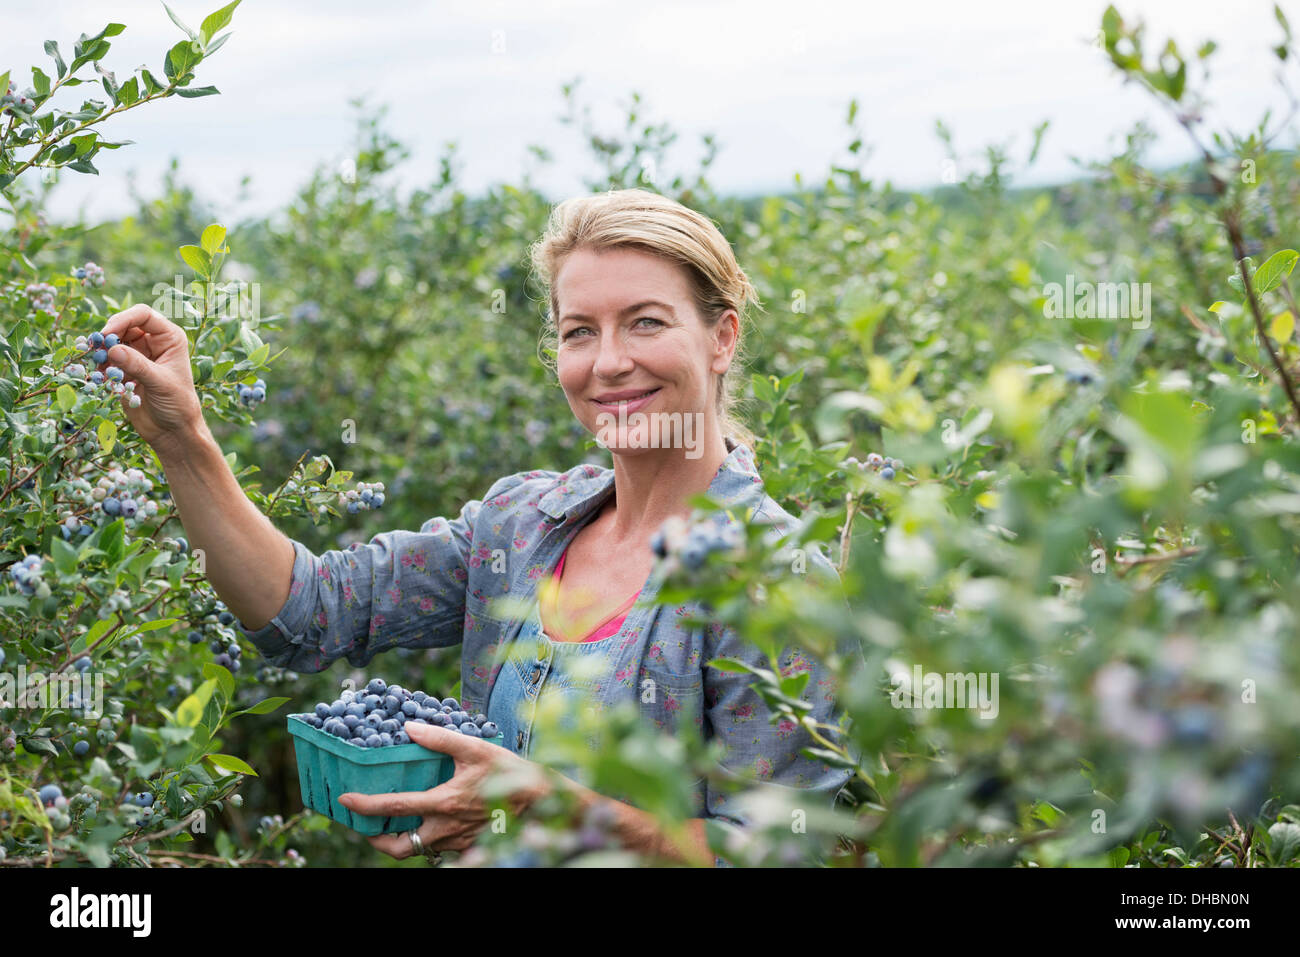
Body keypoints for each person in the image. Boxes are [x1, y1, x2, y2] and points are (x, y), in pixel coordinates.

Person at [96, 188, 853, 867]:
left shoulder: (775, 580)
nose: (609, 361)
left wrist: (547, 803)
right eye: (579, 331)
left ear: (721, 338)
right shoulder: (518, 528)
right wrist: (183, 438)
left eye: (646, 322)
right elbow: (306, 611)